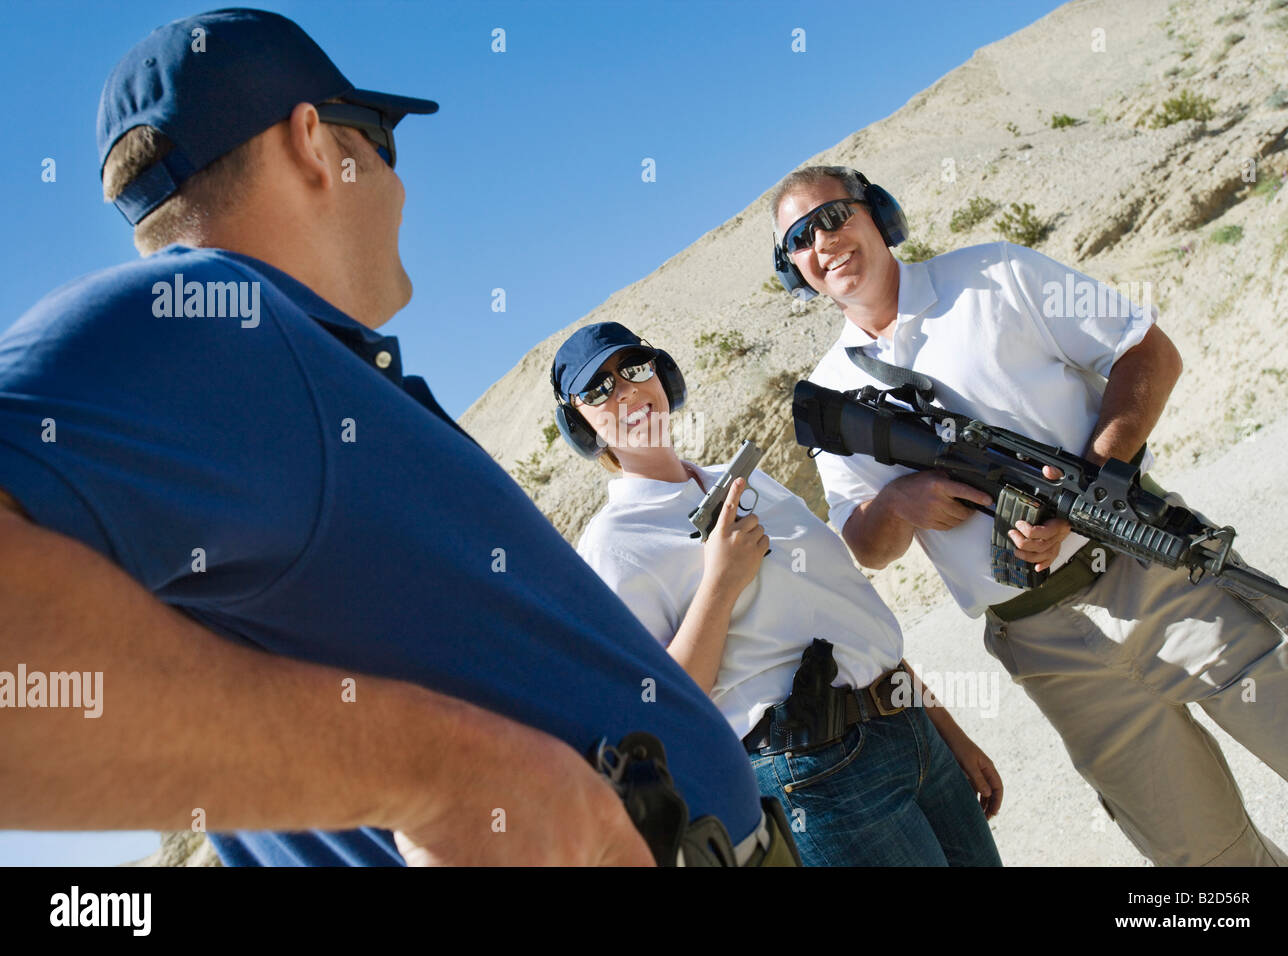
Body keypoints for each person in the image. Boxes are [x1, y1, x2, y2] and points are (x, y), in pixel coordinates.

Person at [0, 8, 773, 867]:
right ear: (312, 143)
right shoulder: (216, 324)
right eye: (382, 144)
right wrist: (439, 774)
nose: (401, 187)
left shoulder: (282, 362)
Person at [774, 164, 1288, 866]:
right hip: (1045, 649)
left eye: (834, 216)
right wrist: (901, 501)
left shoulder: (992, 274)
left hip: (1151, 574)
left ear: (878, 214)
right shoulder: (834, 396)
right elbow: (861, 544)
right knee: (1203, 859)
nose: (823, 242)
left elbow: (1147, 352)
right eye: (800, 238)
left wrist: (1097, 488)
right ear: (794, 269)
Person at [552, 321, 1004, 866]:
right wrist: (720, 583)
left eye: (632, 368)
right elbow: (660, 708)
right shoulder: (613, 544)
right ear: (582, 423)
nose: (624, 390)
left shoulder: (749, 481)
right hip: (819, 773)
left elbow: (843, 617)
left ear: (660, 373)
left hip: (909, 729)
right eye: (598, 390)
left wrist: (946, 732)